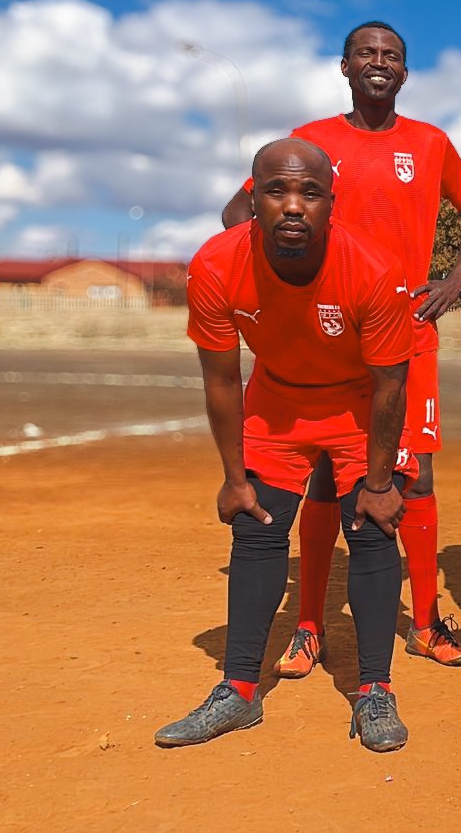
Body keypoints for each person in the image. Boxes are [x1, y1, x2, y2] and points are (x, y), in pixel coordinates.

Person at [220, 20, 461, 674]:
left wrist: (455, 281)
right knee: (320, 479)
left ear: (404, 72)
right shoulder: (310, 143)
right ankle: (309, 627)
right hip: (324, 345)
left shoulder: (429, 144)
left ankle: (423, 623)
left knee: (412, 479)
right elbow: (237, 213)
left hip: (404, 337)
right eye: (366, 52)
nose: (379, 62)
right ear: (344, 67)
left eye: (391, 55)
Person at [159, 139, 414, 752]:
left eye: (310, 193)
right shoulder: (216, 265)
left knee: (373, 530)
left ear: (332, 202)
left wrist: (378, 483)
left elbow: (389, 384)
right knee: (255, 526)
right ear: (255, 197)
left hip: (357, 406)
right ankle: (239, 692)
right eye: (277, 191)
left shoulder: (372, 268)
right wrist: (233, 476)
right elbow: (222, 378)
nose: (293, 206)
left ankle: (375, 690)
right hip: (277, 406)